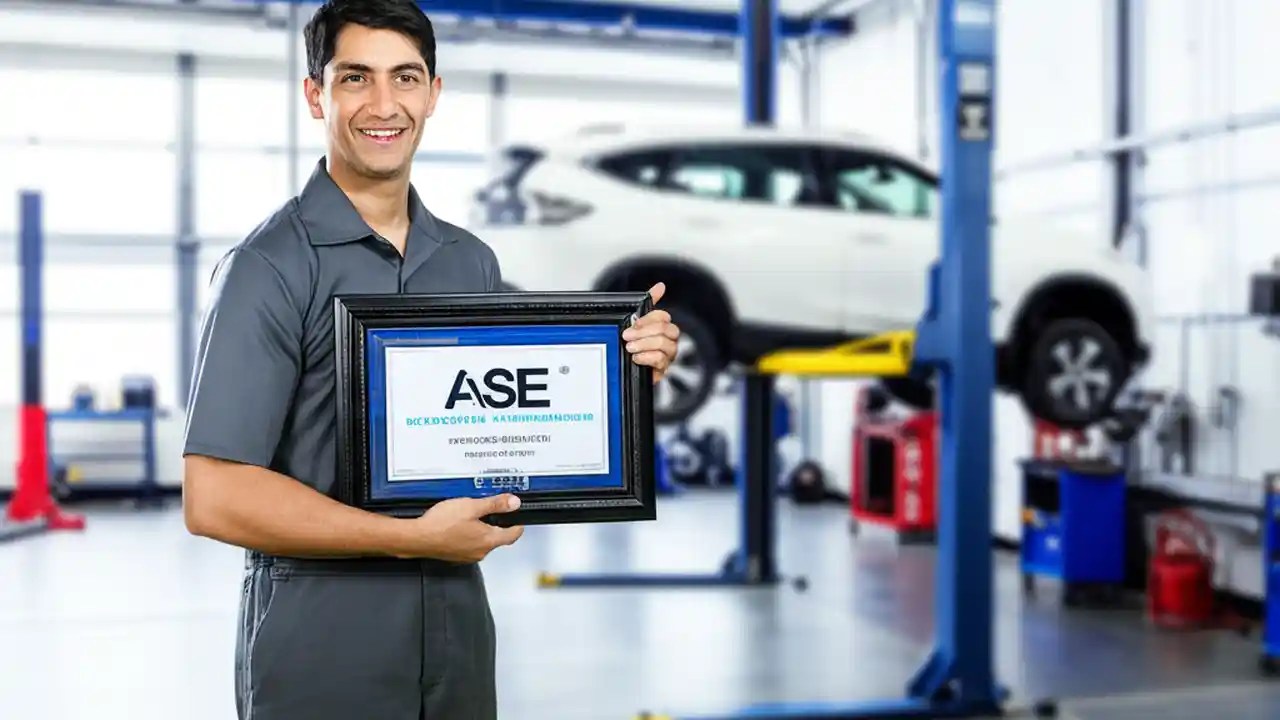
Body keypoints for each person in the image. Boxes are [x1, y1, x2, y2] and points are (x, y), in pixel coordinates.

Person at [179, 1, 681, 718]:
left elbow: (520, 427)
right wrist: (409, 538)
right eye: (356, 78)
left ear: (433, 93)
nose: (384, 105)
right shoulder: (269, 267)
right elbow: (215, 495)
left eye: (405, 78)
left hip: (456, 643)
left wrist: (628, 366)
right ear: (316, 93)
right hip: (320, 647)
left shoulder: (469, 262)